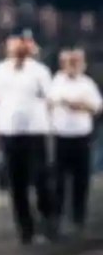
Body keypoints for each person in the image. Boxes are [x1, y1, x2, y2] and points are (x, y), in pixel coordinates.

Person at [0, 30, 57, 244]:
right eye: (14, 44)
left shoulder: (39, 71)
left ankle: (48, 217)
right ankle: (26, 229)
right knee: (17, 183)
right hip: (9, 132)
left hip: (35, 131)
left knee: (41, 177)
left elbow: (50, 98)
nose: (17, 49)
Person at [48, 47, 101, 234]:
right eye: (70, 62)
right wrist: (75, 104)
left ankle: (79, 215)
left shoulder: (87, 83)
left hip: (81, 137)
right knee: (59, 180)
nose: (73, 65)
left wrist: (78, 104)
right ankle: (57, 215)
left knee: (81, 179)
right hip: (61, 137)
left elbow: (96, 107)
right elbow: (52, 101)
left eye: (76, 62)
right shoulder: (55, 82)